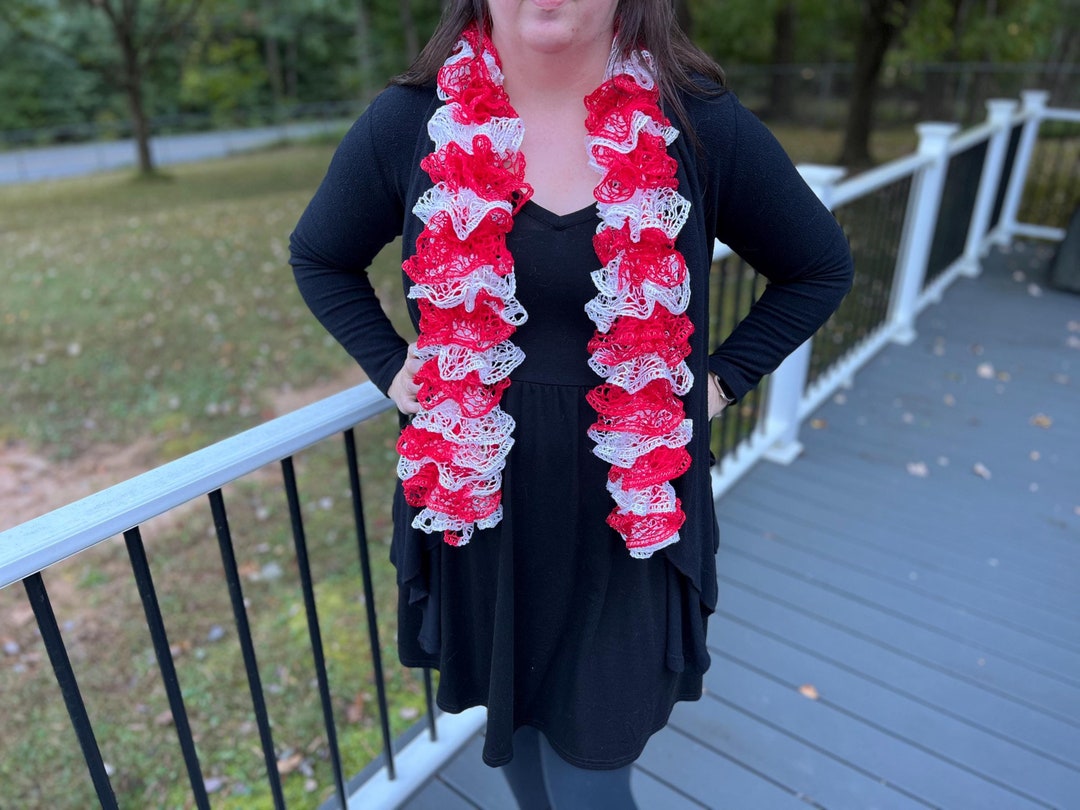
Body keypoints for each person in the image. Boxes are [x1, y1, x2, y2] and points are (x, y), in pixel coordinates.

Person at [290, 0, 853, 806]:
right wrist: (390, 367)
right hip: (483, 513)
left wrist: (723, 380)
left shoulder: (695, 125)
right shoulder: (411, 121)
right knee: (515, 732)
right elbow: (319, 254)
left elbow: (819, 268)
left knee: (593, 775)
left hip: (630, 519)